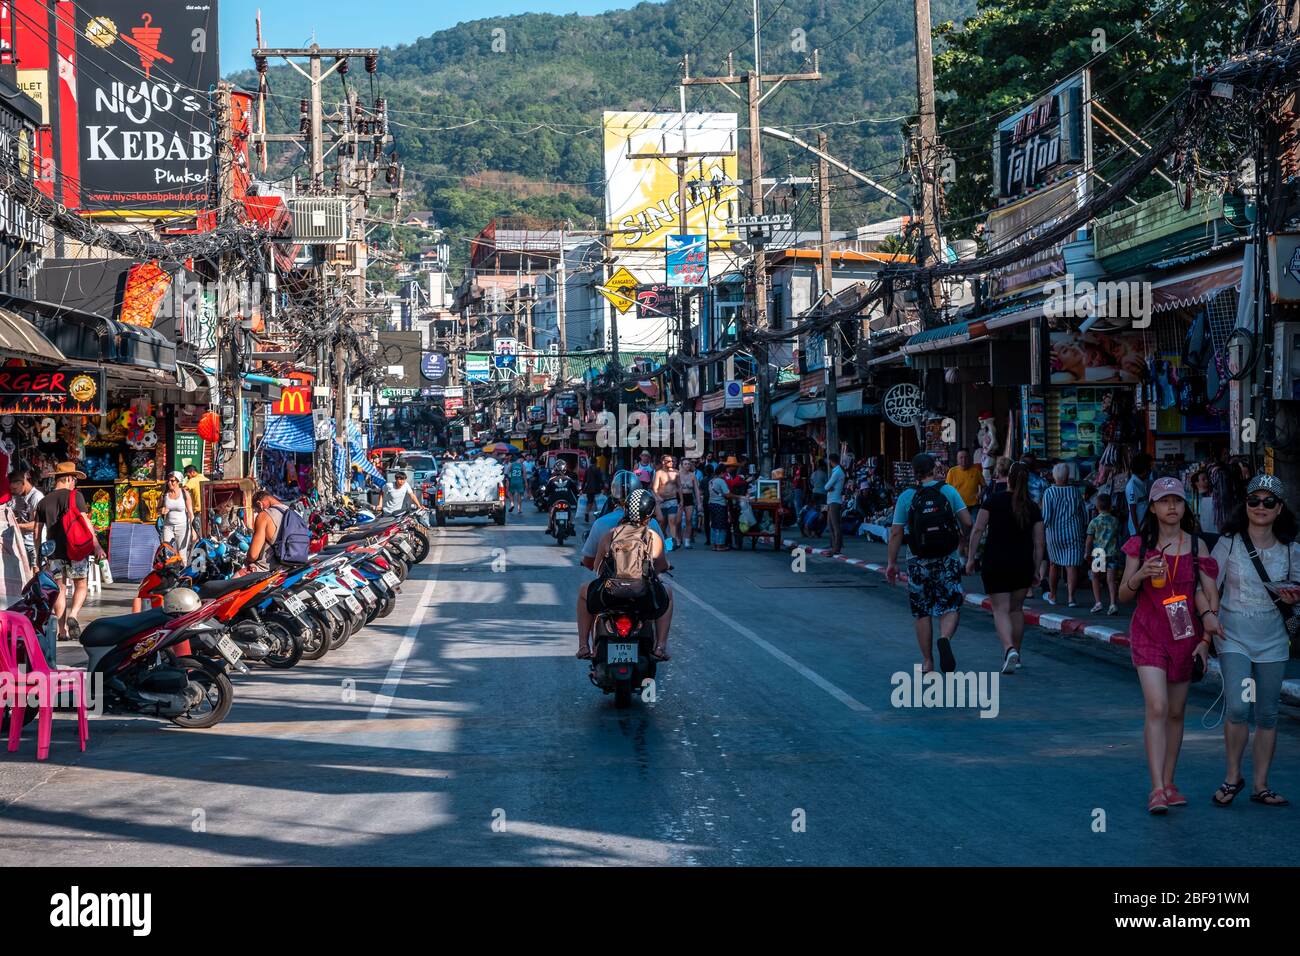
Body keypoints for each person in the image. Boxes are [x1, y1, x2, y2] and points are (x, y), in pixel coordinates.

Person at [1117, 477, 1222, 815]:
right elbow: (1124, 594)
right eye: (1164, 501)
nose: (1172, 507)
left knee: (1176, 712)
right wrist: (1140, 574)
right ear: (1153, 507)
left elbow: (1209, 597)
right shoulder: (1140, 545)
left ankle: (1170, 781)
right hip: (1149, 633)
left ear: (1184, 505)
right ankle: (1157, 789)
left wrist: (1206, 640)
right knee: (1159, 707)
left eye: (1177, 500)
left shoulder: (1197, 547)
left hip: (1185, 637)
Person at [1208, 475, 1296, 808]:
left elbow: (1297, 593)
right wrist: (1209, 617)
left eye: (1269, 501)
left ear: (1279, 509)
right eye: (1254, 501)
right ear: (1244, 506)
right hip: (1233, 637)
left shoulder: (1292, 549)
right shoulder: (1228, 543)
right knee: (1238, 707)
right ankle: (1233, 777)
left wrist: (1292, 596)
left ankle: (1261, 785)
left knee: (1268, 715)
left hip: (1274, 641)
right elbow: (1209, 584)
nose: (1261, 507)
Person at [886, 453, 973, 674]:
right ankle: (944, 638)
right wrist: (962, 538)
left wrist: (891, 563)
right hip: (947, 558)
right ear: (934, 469)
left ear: (914, 473)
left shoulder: (907, 496)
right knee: (951, 605)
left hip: (917, 561)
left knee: (922, 612)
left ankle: (927, 661)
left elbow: (896, 532)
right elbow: (968, 522)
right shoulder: (948, 491)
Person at [576, 488, 674, 661]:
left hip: (610, 594)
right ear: (648, 514)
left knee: (583, 591)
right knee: (668, 593)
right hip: (643, 595)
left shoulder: (610, 535)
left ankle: (583, 646)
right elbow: (660, 567)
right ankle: (660, 647)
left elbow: (598, 568)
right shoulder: (653, 537)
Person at [966, 461, 1043, 674]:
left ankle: (1008, 648)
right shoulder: (1032, 506)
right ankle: (1016, 654)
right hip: (1022, 564)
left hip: (996, 562)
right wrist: (1036, 569)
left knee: (1000, 610)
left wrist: (971, 558)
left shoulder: (992, 501)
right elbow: (1039, 542)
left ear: (1007, 478)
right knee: (1016, 610)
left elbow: (978, 530)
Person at [35, 461, 99, 641]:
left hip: (54, 553)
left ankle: (61, 631)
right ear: (69, 478)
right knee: (81, 584)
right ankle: (73, 615)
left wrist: (39, 557)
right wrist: (96, 545)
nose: (75, 484)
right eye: (74, 480)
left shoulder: (42, 502)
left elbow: (36, 533)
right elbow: (86, 522)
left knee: (60, 589)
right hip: (76, 550)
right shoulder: (75, 496)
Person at [582, 472, 664, 570]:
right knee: (665, 586)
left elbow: (592, 564)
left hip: (611, 583)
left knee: (584, 586)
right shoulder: (652, 526)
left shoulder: (604, 527)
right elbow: (661, 562)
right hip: (642, 583)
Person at [1040, 462, 1088, 606]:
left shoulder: (1049, 492)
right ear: (1067, 476)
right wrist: (1084, 529)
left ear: (1054, 477)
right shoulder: (1075, 491)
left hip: (1055, 534)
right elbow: (1083, 513)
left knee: (1054, 564)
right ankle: (1071, 598)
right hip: (1074, 533)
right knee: (1071, 565)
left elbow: (1046, 517)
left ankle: (1053, 595)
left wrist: (1040, 533)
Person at [1085, 493, 1121, 614]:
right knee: (1111, 580)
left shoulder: (1094, 522)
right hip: (1112, 552)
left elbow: (1089, 540)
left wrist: (1087, 553)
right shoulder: (1115, 521)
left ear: (1097, 506)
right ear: (1110, 505)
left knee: (1095, 577)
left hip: (1098, 553)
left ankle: (1098, 602)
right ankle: (1112, 604)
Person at [9, 467, 43, 566]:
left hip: (34, 545)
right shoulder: (18, 496)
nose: (13, 491)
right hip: (21, 542)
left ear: (23, 482)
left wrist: (15, 525)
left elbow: (36, 525)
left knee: (35, 575)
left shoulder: (36, 497)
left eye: (14, 488)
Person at [652, 455, 684, 548]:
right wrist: (658, 497)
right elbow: (654, 488)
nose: (671, 463)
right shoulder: (658, 473)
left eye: (672, 461)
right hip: (662, 501)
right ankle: (662, 539)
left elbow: (679, 487)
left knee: (672, 520)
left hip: (672, 500)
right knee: (662, 522)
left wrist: (681, 500)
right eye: (669, 461)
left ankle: (673, 541)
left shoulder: (676, 473)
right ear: (663, 462)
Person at [160, 471, 195, 556]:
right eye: (168, 481)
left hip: (183, 527)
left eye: (172, 481)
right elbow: (158, 509)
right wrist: (161, 510)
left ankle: (182, 568)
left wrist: (193, 531)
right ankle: (170, 569)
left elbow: (190, 513)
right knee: (168, 554)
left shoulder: (184, 493)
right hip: (168, 527)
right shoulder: (165, 494)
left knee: (182, 555)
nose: (169, 483)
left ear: (178, 482)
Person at [542, 459, 580, 535]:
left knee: (550, 511)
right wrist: (578, 494)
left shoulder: (551, 480)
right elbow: (575, 490)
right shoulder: (569, 479)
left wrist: (544, 495)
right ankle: (571, 524)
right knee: (570, 510)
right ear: (565, 469)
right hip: (567, 500)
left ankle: (549, 526)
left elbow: (546, 492)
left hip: (554, 500)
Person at [945, 448, 986, 519]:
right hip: (958, 507)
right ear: (957, 460)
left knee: (975, 527)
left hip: (974, 506)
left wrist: (981, 494)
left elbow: (985, 486)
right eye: (961, 458)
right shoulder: (952, 472)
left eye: (966, 457)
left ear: (969, 458)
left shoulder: (976, 471)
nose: (964, 460)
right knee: (961, 529)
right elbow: (947, 489)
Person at [1188, 468, 1219, 547]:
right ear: (1196, 483)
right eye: (1203, 479)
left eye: (1206, 479)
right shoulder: (1195, 499)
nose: (1206, 481)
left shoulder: (1212, 498)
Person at [1126, 452, 1154, 537]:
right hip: (1138, 529)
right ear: (1145, 470)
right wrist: (1137, 529)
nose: (1151, 470)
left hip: (1144, 525)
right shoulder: (1132, 486)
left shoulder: (1143, 481)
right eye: (1150, 467)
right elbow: (1132, 510)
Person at [707, 465, 734, 551]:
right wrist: (738, 496)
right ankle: (720, 545)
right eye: (725, 473)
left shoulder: (711, 481)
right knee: (721, 525)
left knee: (714, 525)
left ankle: (714, 544)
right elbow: (727, 494)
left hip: (711, 504)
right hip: (720, 505)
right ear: (722, 473)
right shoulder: (721, 481)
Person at [825, 453, 847, 555]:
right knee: (831, 525)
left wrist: (829, 488)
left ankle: (836, 548)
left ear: (831, 461)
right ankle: (834, 546)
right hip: (832, 501)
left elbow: (826, 486)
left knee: (835, 525)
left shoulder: (837, 472)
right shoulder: (838, 471)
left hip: (834, 501)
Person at [677, 458, 699, 549]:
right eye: (685, 464)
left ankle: (687, 541)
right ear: (681, 465)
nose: (687, 466)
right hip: (679, 498)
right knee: (678, 521)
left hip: (689, 497)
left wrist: (699, 502)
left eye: (688, 464)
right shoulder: (677, 475)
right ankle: (678, 539)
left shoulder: (692, 475)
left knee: (689, 520)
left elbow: (696, 490)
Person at [581, 457, 606, 522]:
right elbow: (600, 479)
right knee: (597, 503)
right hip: (596, 489)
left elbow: (584, 480)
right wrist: (603, 487)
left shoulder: (587, 469)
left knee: (590, 502)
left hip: (589, 489)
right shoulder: (597, 469)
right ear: (596, 462)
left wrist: (582, 489)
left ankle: (586, 513)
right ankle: (596, 516)